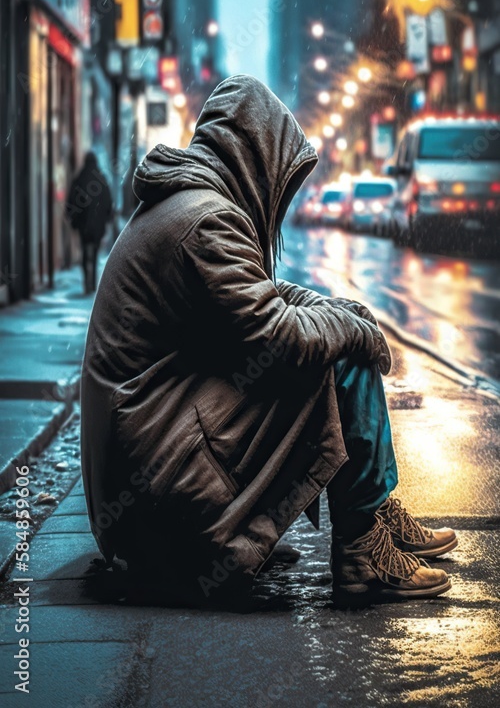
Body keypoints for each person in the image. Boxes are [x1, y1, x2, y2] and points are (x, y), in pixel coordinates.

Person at [81, 76, 456, 607]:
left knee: (333, 333)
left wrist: (334, 309)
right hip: (154, 492)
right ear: (255, 158)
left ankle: (373, 512)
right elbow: (277, 336)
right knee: (338, 356)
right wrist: (350, 328)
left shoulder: (187, 205)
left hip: (141, 481)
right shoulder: (206, 219)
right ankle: (363, 551)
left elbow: (258, 298)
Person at [66, 151, 113, 294]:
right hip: (98, 225)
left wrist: (73, 219)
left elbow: (71, 202)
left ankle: (87, 281)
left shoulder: (79, 179)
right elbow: (108, 202)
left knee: (85, 251)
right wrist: (106, 219)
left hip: (83, 225)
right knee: (95, 252)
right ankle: (92, 283)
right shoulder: (101, 180)